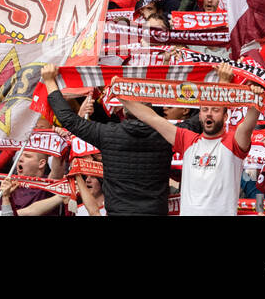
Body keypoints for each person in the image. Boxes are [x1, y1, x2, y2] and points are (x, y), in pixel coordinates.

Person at [120, 64, 260, 216]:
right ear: (199, 115)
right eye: (205, 110)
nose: (209, 114)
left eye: (215, 110)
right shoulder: (187, 139)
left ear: (226, 117)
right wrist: (121, 95)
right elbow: (151, 117)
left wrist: (256, 100)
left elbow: (248, 124)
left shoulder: (233, 141)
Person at [40, 62, 173, 215]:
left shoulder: (107, 134)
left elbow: (69, 120)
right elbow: (199, 123)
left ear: (124, 109)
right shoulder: (169, 135)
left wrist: (50, 82)